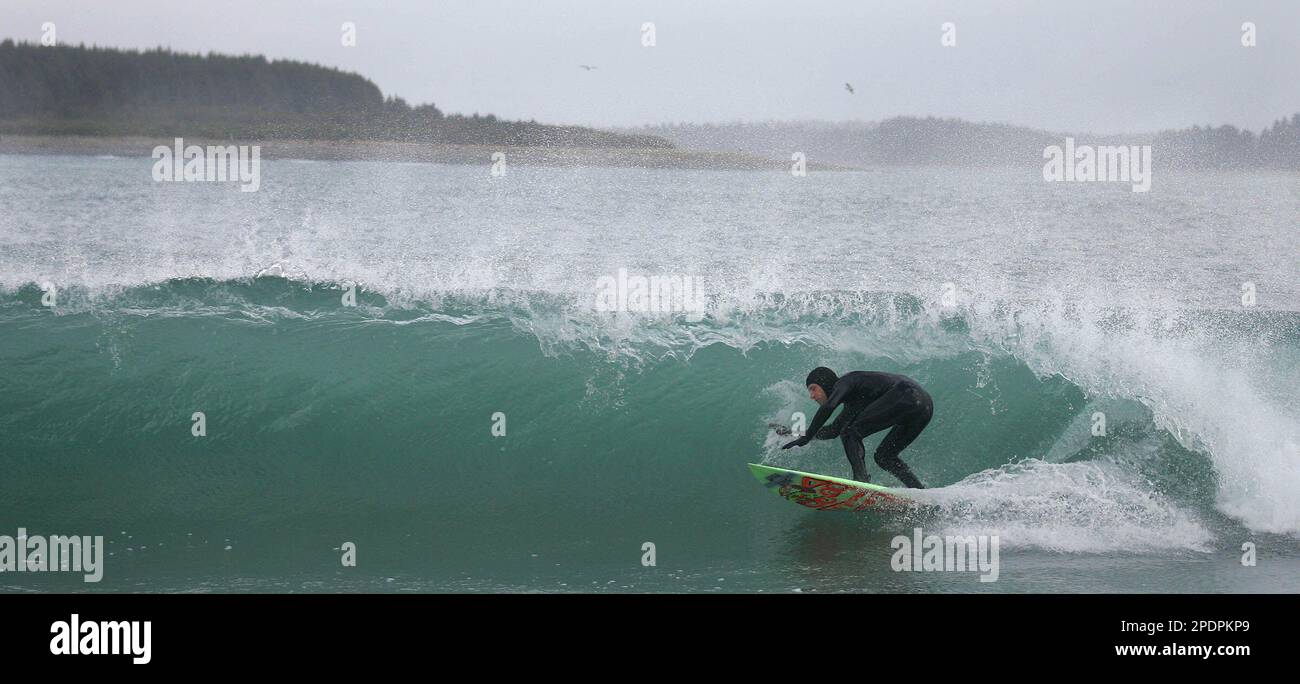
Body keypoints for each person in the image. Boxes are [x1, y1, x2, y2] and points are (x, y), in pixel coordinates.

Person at [781, 367, 931, 488]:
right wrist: (796, 432)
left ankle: (861, 481)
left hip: (907, 393)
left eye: (813, 388)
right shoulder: (854, 401)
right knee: (884, 457)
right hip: (924, 406)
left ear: (825, 383)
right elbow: (834, 430)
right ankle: (918, 491)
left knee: (850, 432)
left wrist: (807, 436)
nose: (812, 396)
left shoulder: (846, 381)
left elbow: (829, 406)